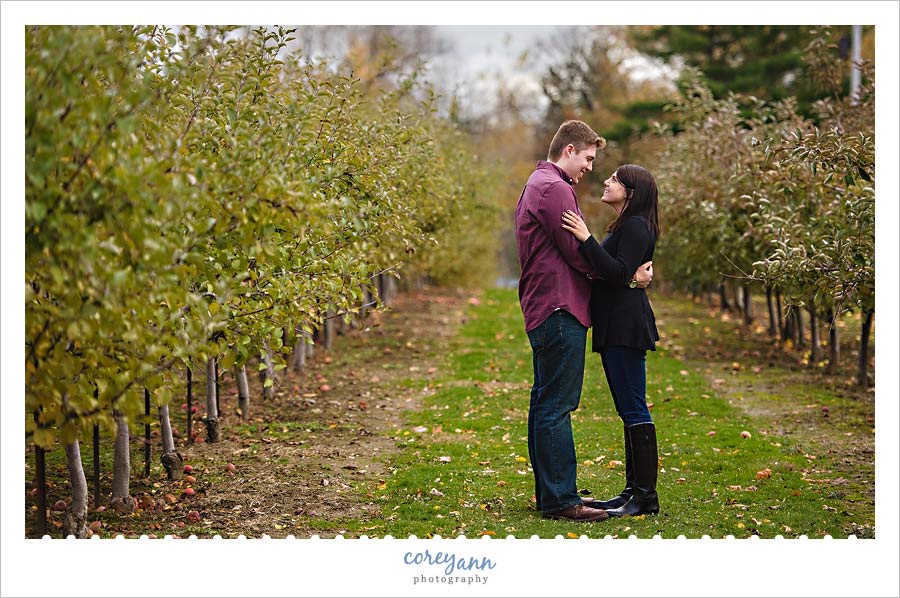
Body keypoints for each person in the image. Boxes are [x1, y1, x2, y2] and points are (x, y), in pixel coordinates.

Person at [515, 121, 652, 522]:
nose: (591, 168)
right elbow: (577, 254)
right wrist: (627, 277)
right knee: (557, 403)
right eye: (589, 158)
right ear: (570, 150)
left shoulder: (536, 183)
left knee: (545, 401)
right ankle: (561, 499)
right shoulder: (556, 189)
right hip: (561, 306)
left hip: (546, 304)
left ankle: (550, 494)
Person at [560, 163, 661, 517]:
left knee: (633, 407)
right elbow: (619, 273)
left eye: (615, 179)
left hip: (625, 325)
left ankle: (645, 497)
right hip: (617, 324)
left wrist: (586, 238)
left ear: (631, 192)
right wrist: (629, 277)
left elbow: (617, 273)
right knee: (627, 407)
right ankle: (633, 492)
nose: (606, 181)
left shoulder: (635, 226)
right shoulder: (627, 225)